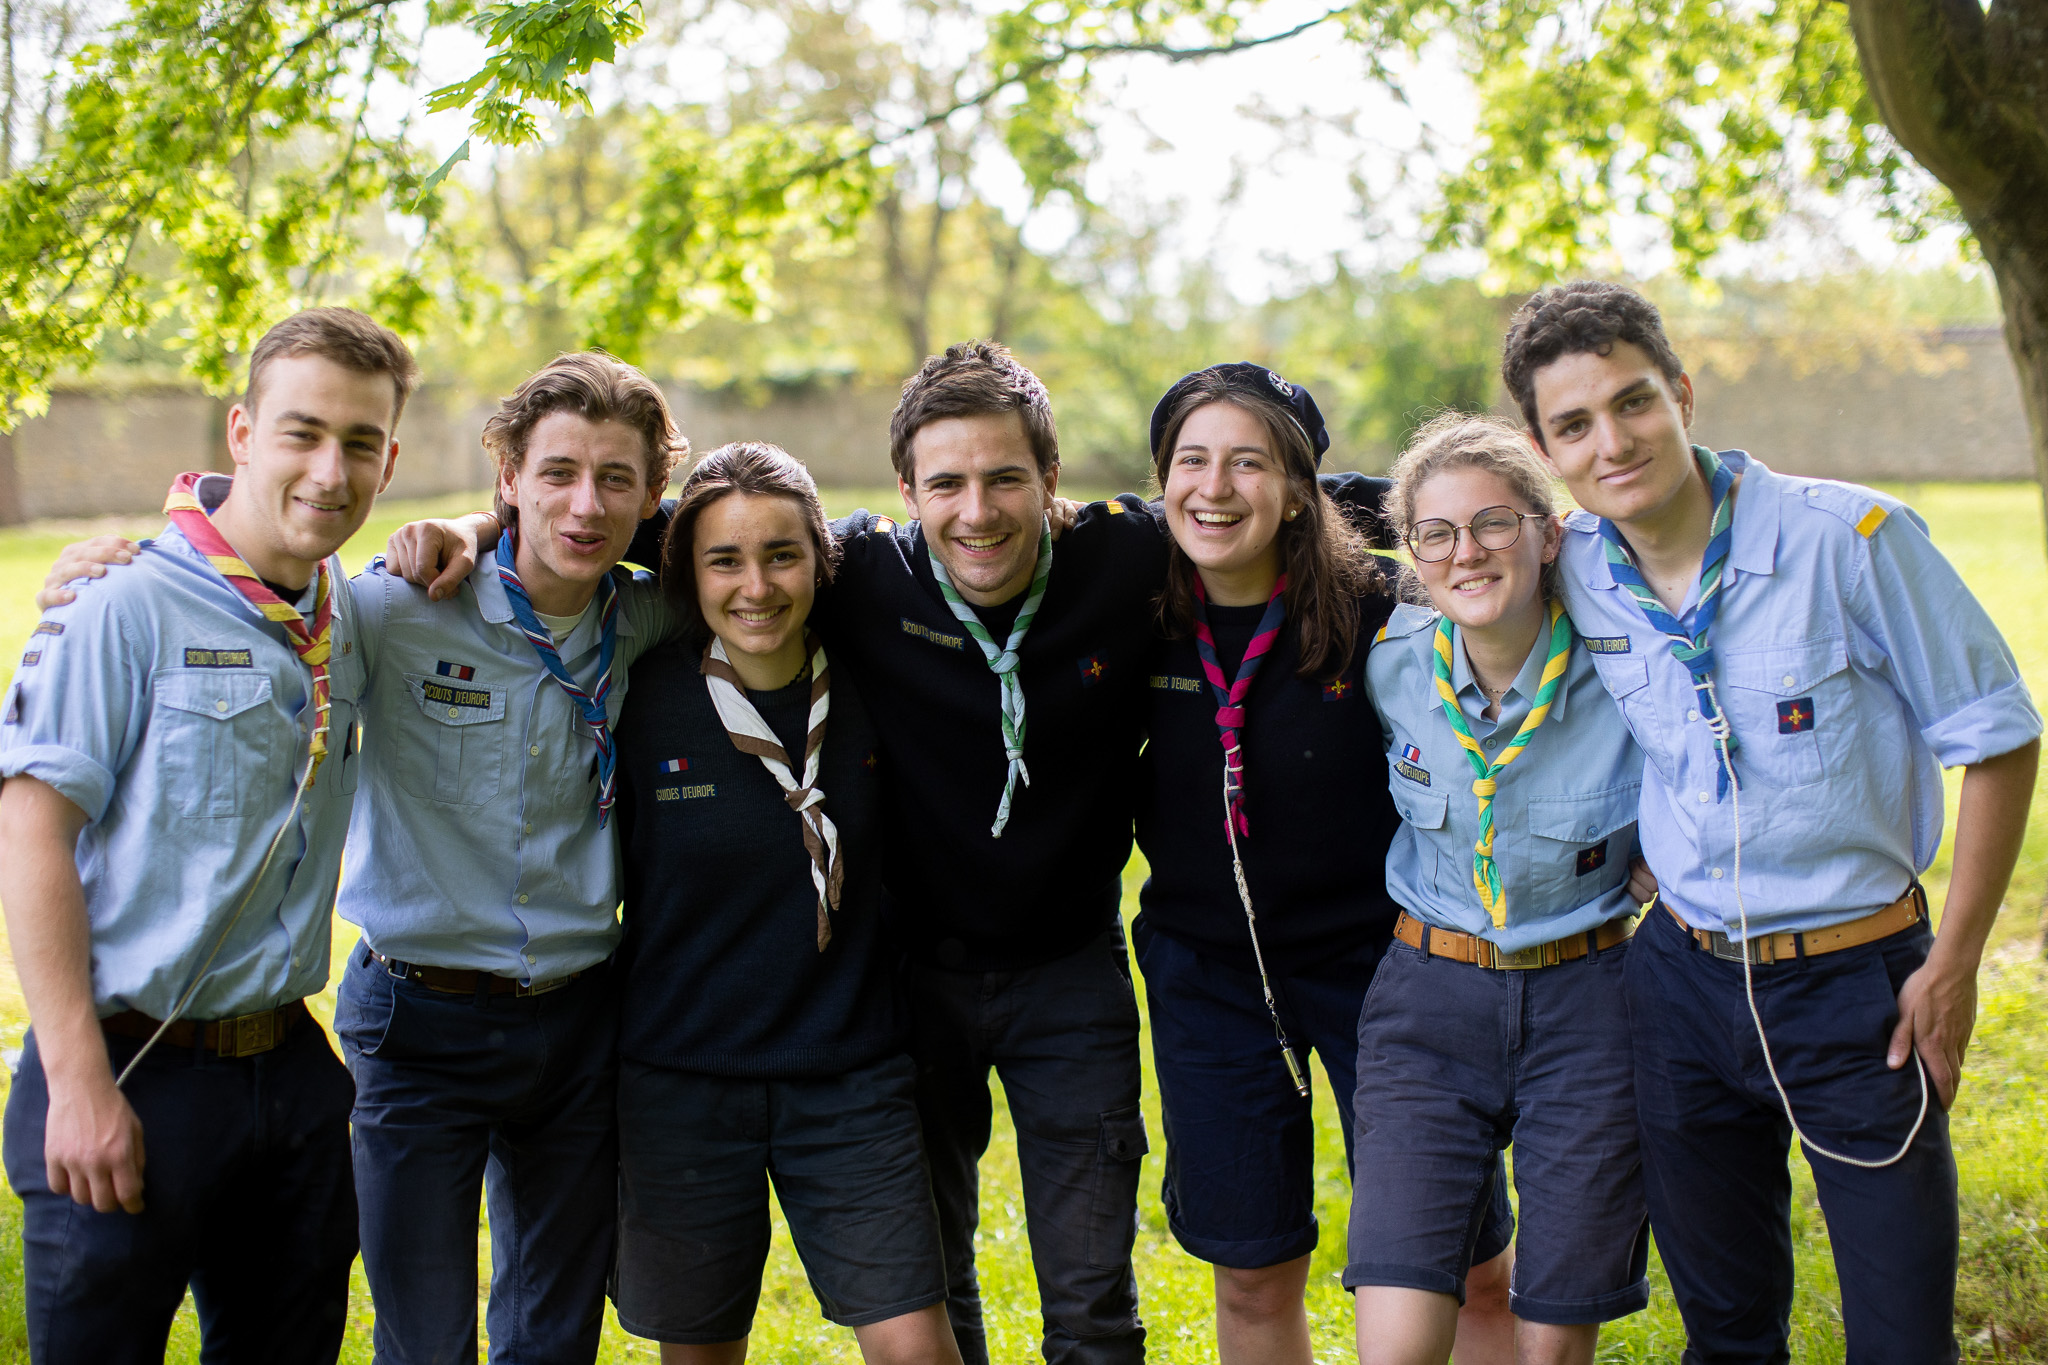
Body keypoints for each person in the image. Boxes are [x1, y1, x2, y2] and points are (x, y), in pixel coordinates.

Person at [1503, 280, 2042, 1363]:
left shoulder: (1848, 538)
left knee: (1898, 1342)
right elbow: (1437, 536)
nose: (1612, 440)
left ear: (1682, 394)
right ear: (1544, 449)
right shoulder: (1571, 565)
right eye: (1573, 425)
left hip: (1858, 990)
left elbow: (1996, 737)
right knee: (1727, 1330)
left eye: (1632, 401)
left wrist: (1953, 962)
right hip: (1679, 990)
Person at [0, 307, 417, 1363]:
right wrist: (81, 1083)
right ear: (241, 433)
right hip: (127, 1070)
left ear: (391, 459)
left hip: (288, 1069)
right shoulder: (117, 607)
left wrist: (457, 537)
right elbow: (31, 831)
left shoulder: (354, 615)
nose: (330, 470)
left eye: (360, 443)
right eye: (302, 432)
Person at [1130, 363, 1522, 1365]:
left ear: (1300, 487)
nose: (1214, 488)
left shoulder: (1384, 610)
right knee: (1253, 1276)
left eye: (1248, 462)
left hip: (1386, 967)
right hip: (1209, 978)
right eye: (1192, 461)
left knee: (1469, 1262)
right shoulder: (1129, 605)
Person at [607, 442, 959, 1365]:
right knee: (701, 1351)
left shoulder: (874, 681)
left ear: (821, 561)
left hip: (850, 1073)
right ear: (686, 571)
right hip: (682, 1078)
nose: (755, 585)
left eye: (782, 555)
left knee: (918, 1345)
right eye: (724, 559)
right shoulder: (641, 700)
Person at [1347, 413, 1650, 1365]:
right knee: (1396, 1345)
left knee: (1551, 1340)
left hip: (1589, 1001)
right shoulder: (1392, 663)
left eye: (1494, 522)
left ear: (1548, 532)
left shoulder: (1630, 666)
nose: (1464, 552)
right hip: (1428, 1003)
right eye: (1435, 533)